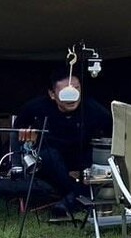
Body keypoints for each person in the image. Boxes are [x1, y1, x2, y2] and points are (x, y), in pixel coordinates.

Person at [13, 72, 112, 213]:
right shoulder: (35, 108)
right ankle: (76, 196)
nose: (72, 96)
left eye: (76, 89)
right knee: (49, 156)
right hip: (50, 161)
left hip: (81, 160)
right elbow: (18, 132)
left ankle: (69, 201)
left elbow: (112, 130)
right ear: (52, 94)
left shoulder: (92, 109)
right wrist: (28, 135)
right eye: (66, 92)